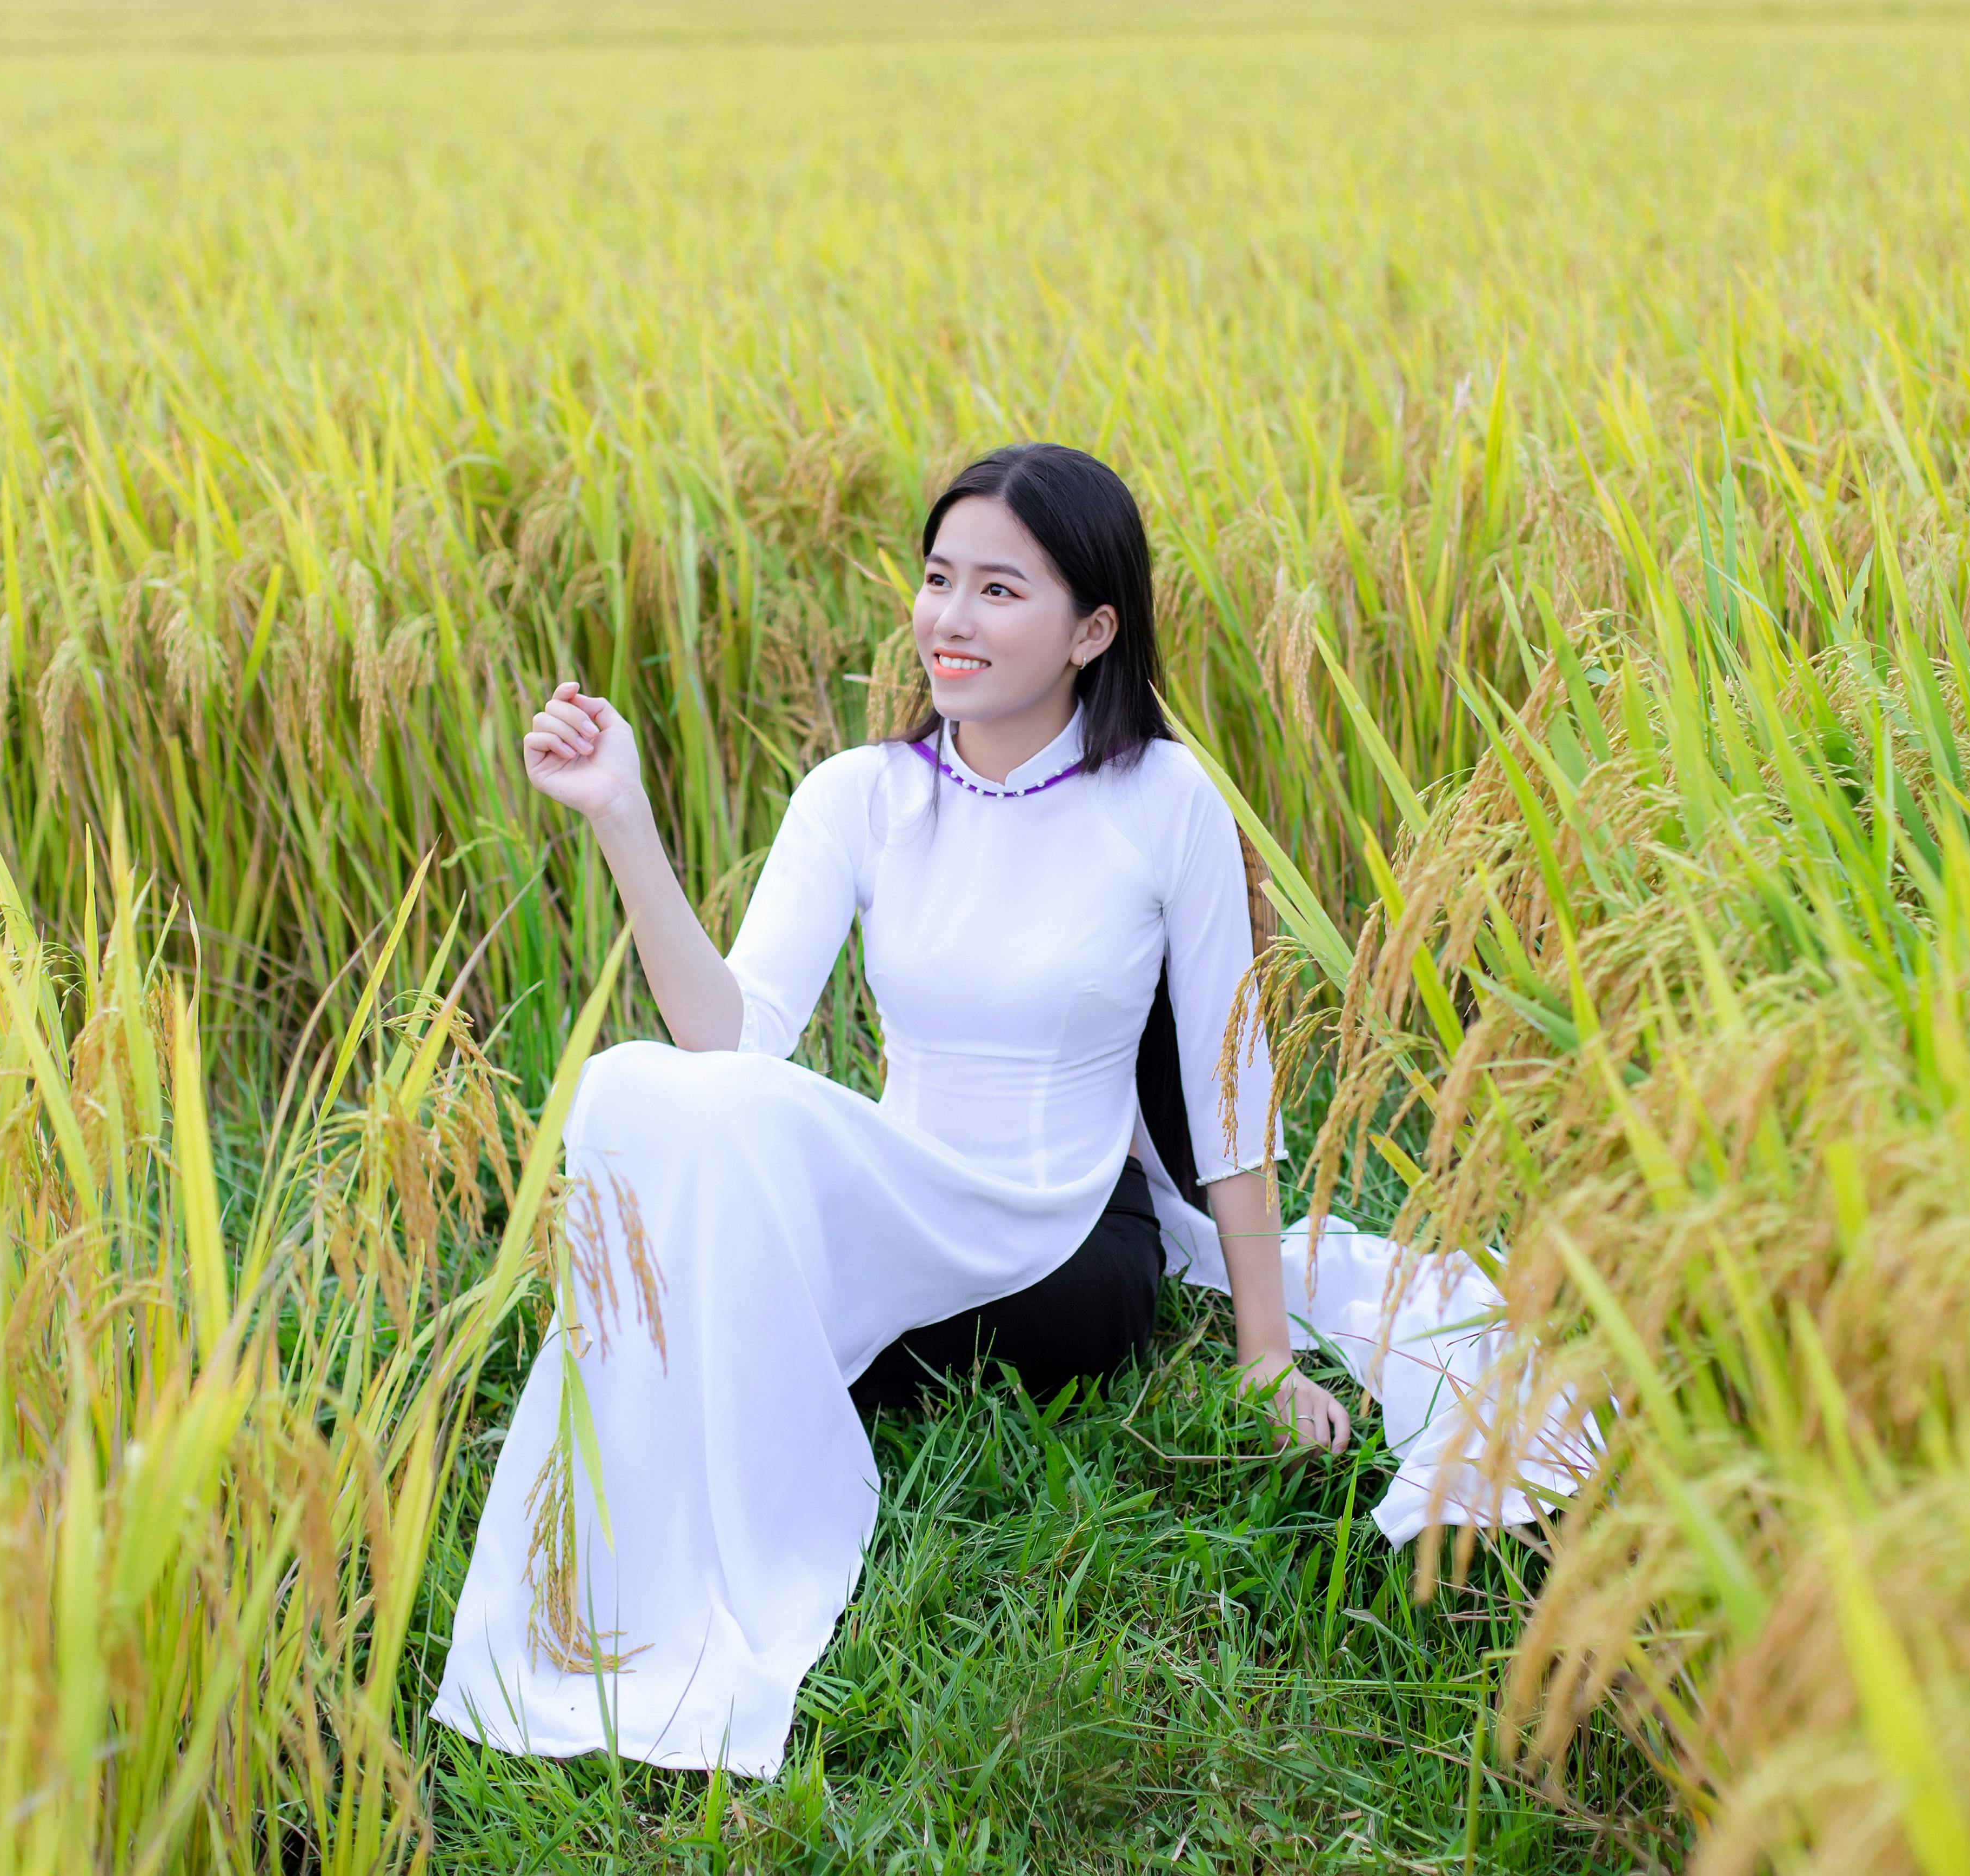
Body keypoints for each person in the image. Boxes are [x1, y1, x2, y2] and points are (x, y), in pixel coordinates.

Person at [430, 443, 1584, 1778]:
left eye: (997, 589)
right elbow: (731, 1039)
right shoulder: (860, 796)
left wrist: (1264, 1348)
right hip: (899, 1207)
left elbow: (1229, 1087)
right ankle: (645, 1570)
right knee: (641, 1081)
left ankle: (805, 1372)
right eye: (935, 580)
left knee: (774, 1247)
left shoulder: (1166, 804)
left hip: (1060, 1253)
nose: (948, 619)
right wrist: (622, 816)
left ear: (1093, 629)